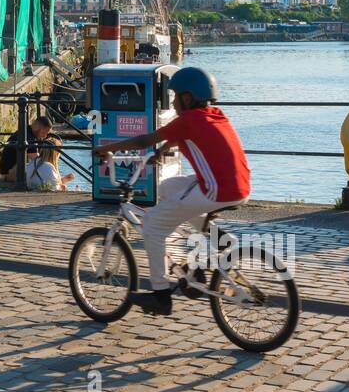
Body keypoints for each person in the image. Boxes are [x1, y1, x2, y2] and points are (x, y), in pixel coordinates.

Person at [92, 66, 251, 317]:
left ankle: (160, 295)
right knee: (168, 188)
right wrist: (161, 152)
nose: (173, 102)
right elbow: (179, 136)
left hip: (216, 191)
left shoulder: (187, 121)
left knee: (153, 226)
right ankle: (216, 239)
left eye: (176, 96)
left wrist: (107, 148)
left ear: (188, 98)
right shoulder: (216, 115)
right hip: (238, 187)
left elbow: (145, 139)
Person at [0, 115, 57, 183]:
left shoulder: (26, 131)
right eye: (44, 132)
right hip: (9, 174)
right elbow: (37, 160)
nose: (45, 136)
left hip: (7, 171)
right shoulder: (29, 137)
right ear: (38, 127)